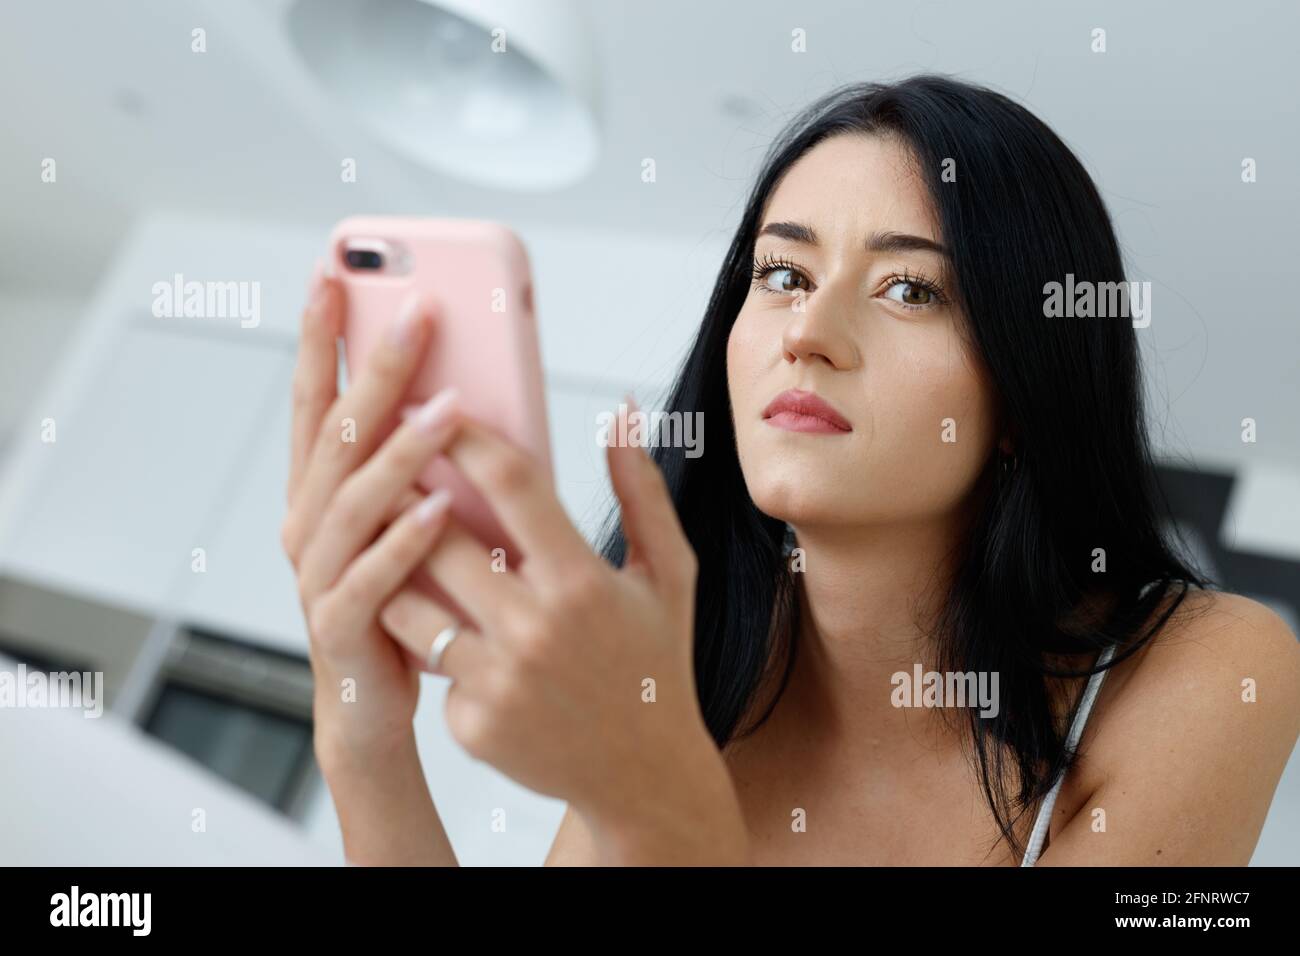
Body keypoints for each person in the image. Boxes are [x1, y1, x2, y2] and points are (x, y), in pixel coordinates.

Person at [279, 75, 1300, 866]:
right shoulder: (693, 664)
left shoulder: (1224, 668)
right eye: (782, 272)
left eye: (909, 289)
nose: (807, 331)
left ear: (1024, 399)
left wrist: (651, 802)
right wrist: (363, 736)